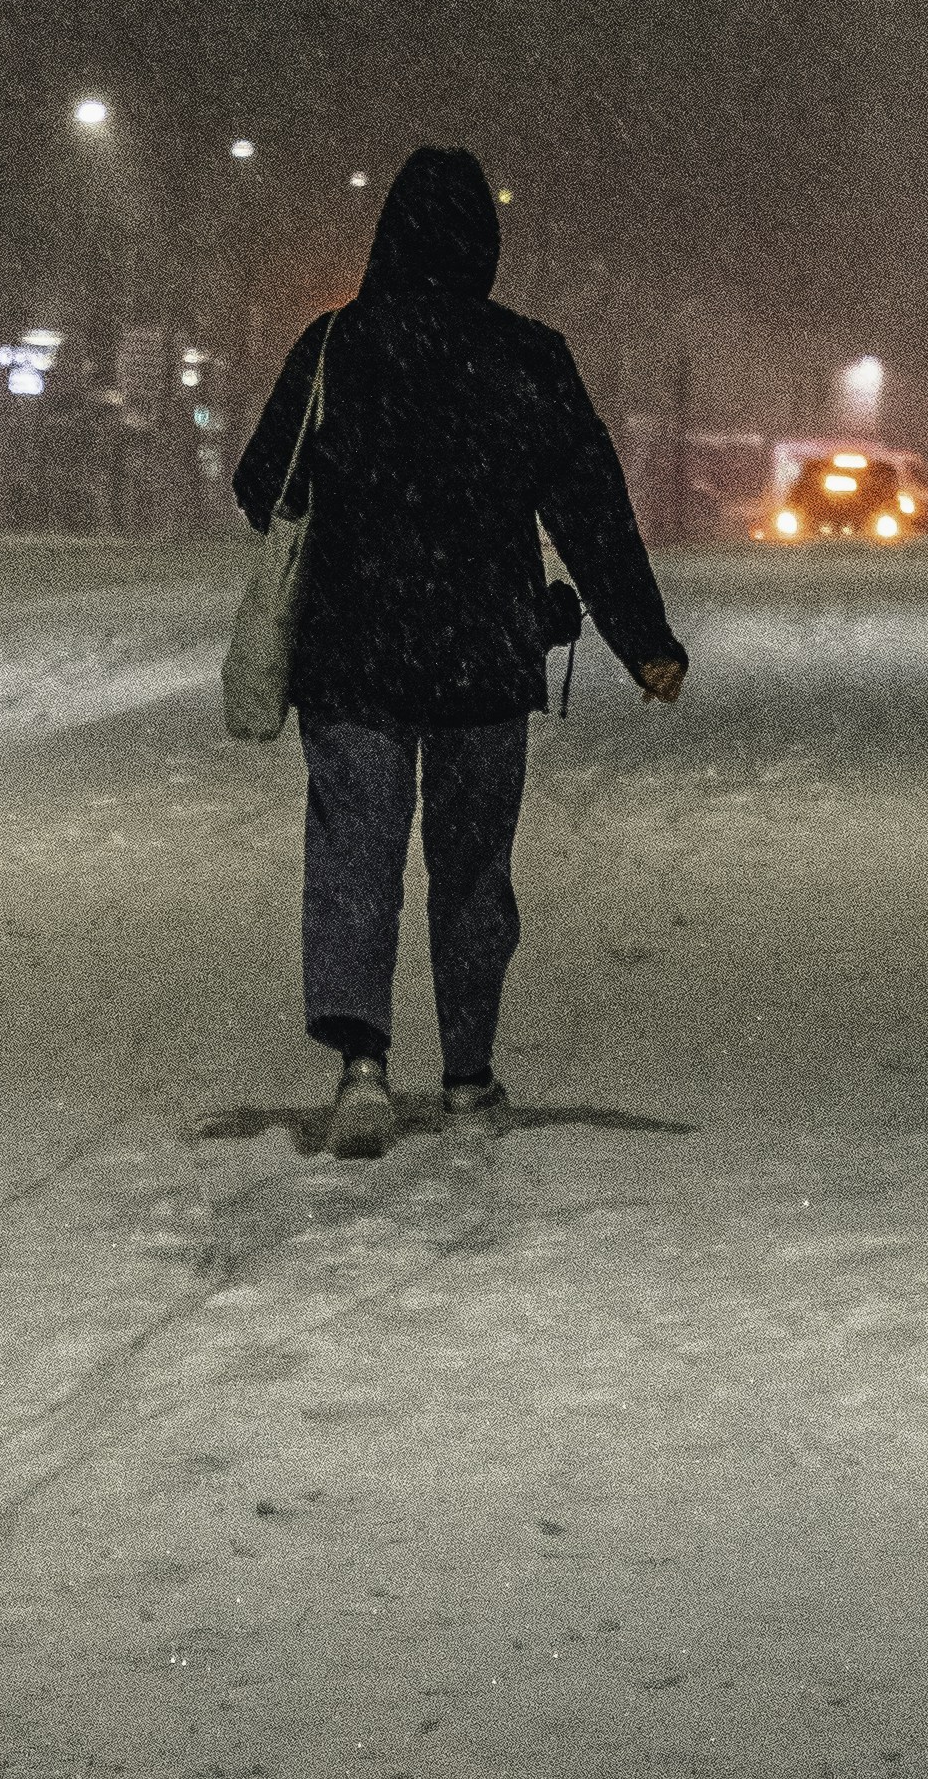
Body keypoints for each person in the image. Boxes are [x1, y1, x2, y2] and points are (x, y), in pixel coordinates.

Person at [233, 143, 686, 1157]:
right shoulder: (528, 354)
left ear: (385, 232)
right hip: (484, 647)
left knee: (356, 852)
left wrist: (358, 515)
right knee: (473, 865)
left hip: (352, 649)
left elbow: (262, 480)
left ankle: (361, 1066)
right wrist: (642, 640)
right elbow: (590, 509)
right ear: (485, 240)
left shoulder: (336, 343)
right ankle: (470, 1073)